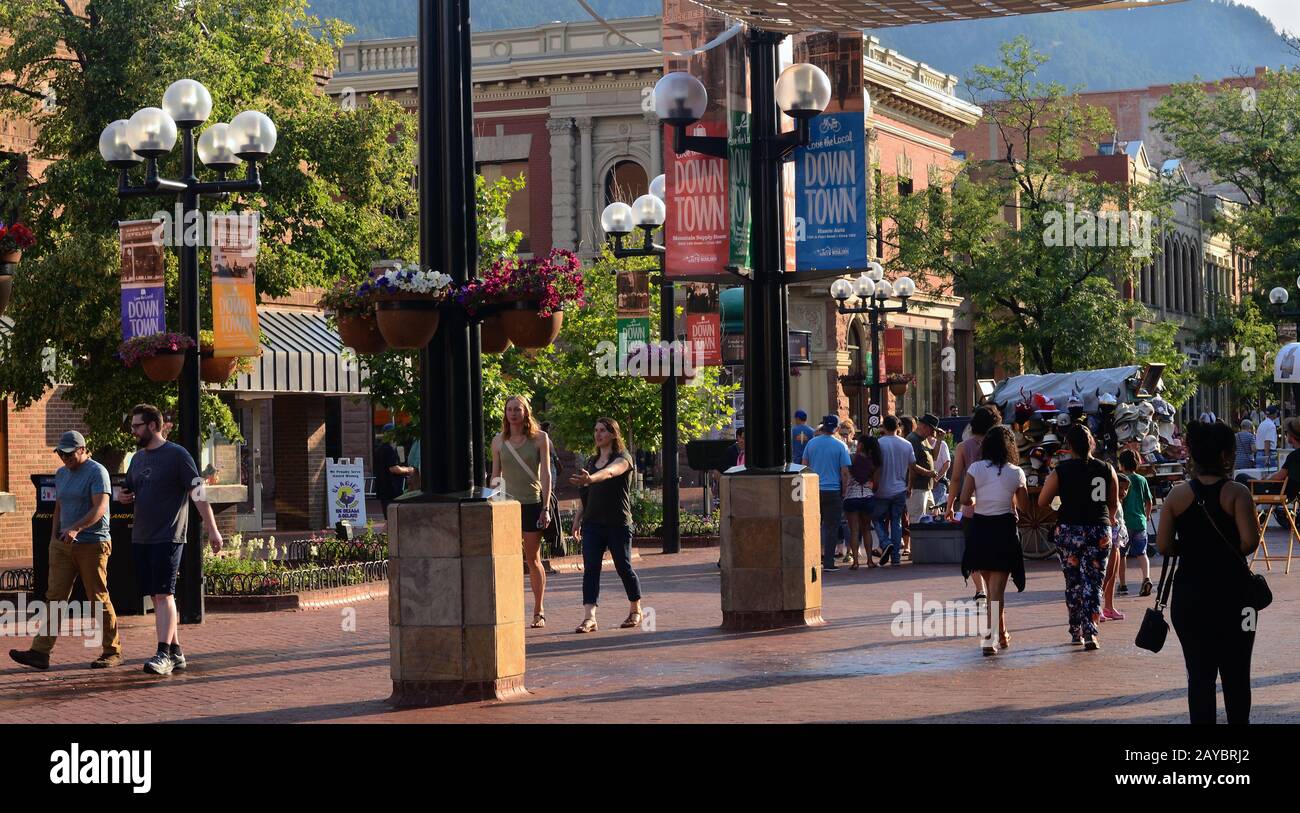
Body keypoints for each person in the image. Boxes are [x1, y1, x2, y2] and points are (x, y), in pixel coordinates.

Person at [1157, 420, 1261, 724]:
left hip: (1190, 596)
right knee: (1237, 672)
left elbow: (1163, 546)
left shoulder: (1176, 496)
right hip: (1237, 597)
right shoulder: (1237, 493)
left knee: (1199, 675)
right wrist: (1221, 551)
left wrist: (1194, 549)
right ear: (1227, 455)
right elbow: (1250, 541)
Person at [119, 404, 223, 675]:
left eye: (137, 426)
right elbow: (127, 488)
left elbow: (198, 494)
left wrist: (212, 529)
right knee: (156, 595)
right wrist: (123, 496)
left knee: (165, 594)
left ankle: (163, 654)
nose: (133, 431)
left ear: (153, 425)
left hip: (169, 535)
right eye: (132, 426)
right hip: (142, 536)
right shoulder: (137, 459)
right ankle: (176, 652)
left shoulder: (177, 455)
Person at [9, 431, 122, 671]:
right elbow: (58, 506)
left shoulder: (97, 472)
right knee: (54, 599)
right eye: (61, 453)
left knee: (97, 598)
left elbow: (101, 507)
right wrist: (54, 538)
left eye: (69, 453)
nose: (64, 458)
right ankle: (40, 652)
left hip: (93, 543)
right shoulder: (61, 474)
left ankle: (112, 651)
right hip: (63, 545)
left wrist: (77, 528)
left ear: (82, 449)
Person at [1038, 424, 1116, 650]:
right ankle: (1092, 630)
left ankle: (1076, 630)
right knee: (1093, 582)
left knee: (1073, 582)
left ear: (1069, 446)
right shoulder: (1106, 468)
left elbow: (1043, 501)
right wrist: (1108, 523)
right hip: (1099, 529)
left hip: (1070, 530)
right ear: (1092, 443)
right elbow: (1113, 503)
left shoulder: (1061, 471)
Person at [958, 425, 1027, 656]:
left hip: (981, 528)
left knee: (990, 588)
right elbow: (1025, 506)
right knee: (998, 589)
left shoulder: (976, 468)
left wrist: (979, 500)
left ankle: (1000, 633)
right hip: (1004, 528)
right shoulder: (1016, 472)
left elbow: (965, 499)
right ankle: (990, 637)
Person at [570, 417, 643, 633]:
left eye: (603, 430)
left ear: (613, 434)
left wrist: (592, 479)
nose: (598, 434)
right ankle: (589, 617)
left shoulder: (623, 458)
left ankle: (635, 609)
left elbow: (612, 472)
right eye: (596, 430)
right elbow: (586, 497)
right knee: (591, 569)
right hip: (593, 524)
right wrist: (577, 519)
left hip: (618, 523)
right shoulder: (591, 463)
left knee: (623, 567)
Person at [491, 395, 554, 629]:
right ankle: (509, 608)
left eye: (517, 409)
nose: (513, 413)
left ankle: (539, 609)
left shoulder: (539, 439)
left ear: (526, 412)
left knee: (532, 558)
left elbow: (546, 474)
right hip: (507, 506)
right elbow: (495, 476)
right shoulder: (498, 441)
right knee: (506, 560)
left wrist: (545, 507)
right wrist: (494, 503)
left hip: (531, 504)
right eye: (509, 409)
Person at [947, 406, 1002, 599]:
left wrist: (949, 505)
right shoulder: (1000, 445)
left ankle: (981, 589)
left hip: (970, 506)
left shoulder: (964, 447)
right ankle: (993, 589)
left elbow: (955, 479)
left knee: (973, 549)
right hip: (996, 506)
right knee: (994, 551)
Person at [802, 415, 852, 571]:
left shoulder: (811, 443)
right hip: (833, 491)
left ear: (823, 426)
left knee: (813, 526)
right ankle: (829, 563)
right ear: (836, 428)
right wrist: (845, 489)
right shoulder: (841, 446)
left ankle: (811, 560)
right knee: (831, 527)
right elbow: (845, 471)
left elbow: (804, 465)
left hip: (814, 489)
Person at [872, 415, 914, 567]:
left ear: (883, 427)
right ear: (898, 427)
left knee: (876, 518)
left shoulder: (879, 444)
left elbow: (874, 466)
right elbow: (912, 467)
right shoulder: (906, 444)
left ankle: (885, 541)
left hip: (882, 489)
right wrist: (909, 486)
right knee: (896, 521)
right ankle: (895, 556)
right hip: (899, 488)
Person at [1116, 450, 1154, 597]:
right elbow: (1149, 501)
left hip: (1125, 523)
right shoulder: (1142, 480)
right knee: (1142, 553)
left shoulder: (1122, 480)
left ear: (1122, 464)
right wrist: (1147, 515)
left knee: (1122, 555)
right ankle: (1146, 578)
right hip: (1140, 522)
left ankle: (1123, 585)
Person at [843, 434, 880, 570]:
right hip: (867, 497)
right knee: (866, 530)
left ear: (861, 445)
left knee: (854, 530)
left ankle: (855, 562)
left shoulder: (851, 458)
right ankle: (870, 560)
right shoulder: (874, 462)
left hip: (851, 496)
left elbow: (845, 475)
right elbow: (876, 484)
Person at [1100, 474, 1131, 621]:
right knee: (1107, 573)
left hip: (1117, 538)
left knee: (1113, 574)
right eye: (1121, 488)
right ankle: (1096, 606)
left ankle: (1109, 607)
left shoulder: (1118, 501)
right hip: (1109, 537)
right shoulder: (1109, 500)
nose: (1124, 492)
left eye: (1126, 489)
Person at [905, 414, 940, 522]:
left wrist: (939, 440)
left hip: (926, 487)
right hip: (917, 487)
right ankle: (916, 540)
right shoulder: (913, 439)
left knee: (932, 516)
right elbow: (911, 464)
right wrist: (928, 473)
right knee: (917, 518)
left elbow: (934, 456)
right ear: (925, 426)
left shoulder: (924, 439)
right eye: (932, 429)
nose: (932, 433)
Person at [374, 424, 414, 518]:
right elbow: (393, 468)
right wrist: (409, 470)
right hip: (391, 488)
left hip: (383, 488)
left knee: (388, 516)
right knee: (393, 517)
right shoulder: (389, 449)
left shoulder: (379, 449)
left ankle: (387, 531)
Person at [929, 426, 951, 509]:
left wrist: (936, 479)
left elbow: (947, 464)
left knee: (934, 510)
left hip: (939, 483)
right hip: (926, 484)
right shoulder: (923, 443)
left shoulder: (942, 444)